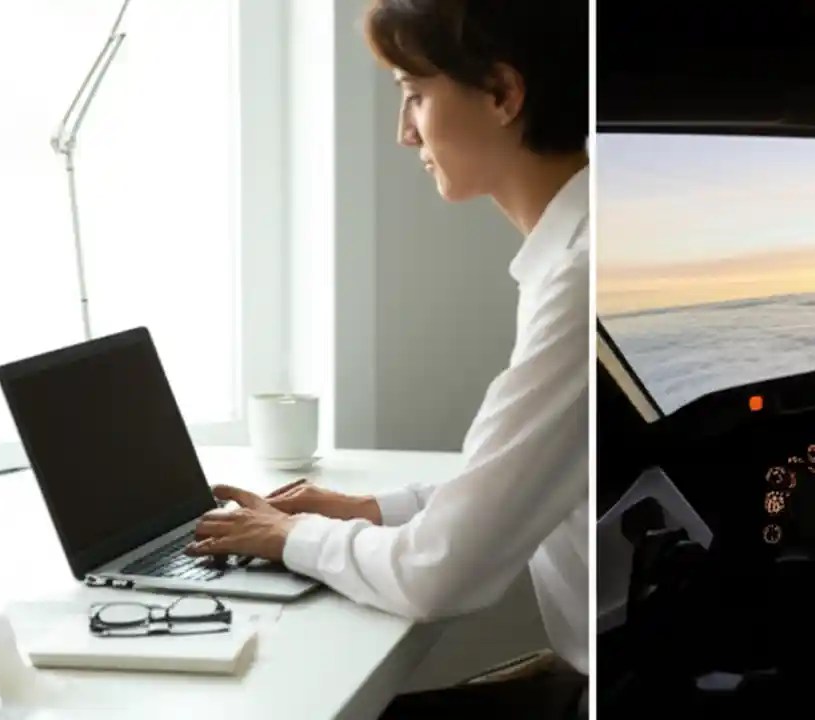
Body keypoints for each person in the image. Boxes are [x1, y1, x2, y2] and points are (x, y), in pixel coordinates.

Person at [183, 0, 589, 717]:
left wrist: (293, 536)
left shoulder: (583, 280)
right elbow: (520, 482)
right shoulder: (578, 252)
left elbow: (439, 573)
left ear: (502, 94)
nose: (405, 133)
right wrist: (370, 508)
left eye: (415, 95)